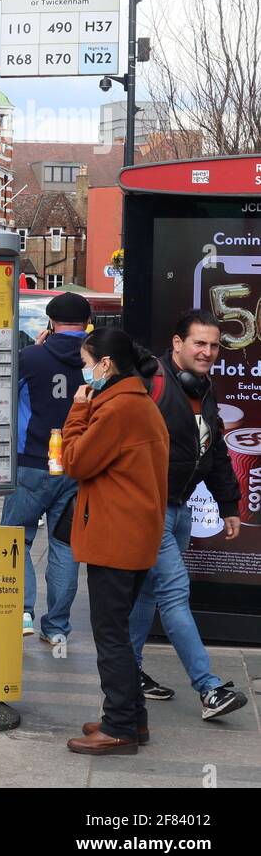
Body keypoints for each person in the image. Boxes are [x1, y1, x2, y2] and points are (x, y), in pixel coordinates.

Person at [131, 309, 248, 720]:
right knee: (175, 593)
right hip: (151, 508)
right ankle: (209, 688)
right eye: (200, 343)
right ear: (178, 343)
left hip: (179, 507)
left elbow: (214, 450)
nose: (208, 352)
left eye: (214, 345)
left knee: (149, 591)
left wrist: (228, 504)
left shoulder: (204, 387)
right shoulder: (152, 384)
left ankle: (128, 672)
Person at [61, 328, 168, 755]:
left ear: (105, 364)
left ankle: (120, 725)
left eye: (87, 363)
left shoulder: (117, 408)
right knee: (117, 630)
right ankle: (131, 718)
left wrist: (77, 411)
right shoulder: (136, 402)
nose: (84, 371)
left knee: (109, 634)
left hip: (117, 537)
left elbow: (74, 461)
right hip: (132, 534)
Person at [0, 291, 88, 643]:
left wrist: (34, 351)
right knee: (66, 548)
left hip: (32, 466)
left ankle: (22, 612)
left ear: (51, 323)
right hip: (77, 467)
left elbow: (4, 395)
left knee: (16, 539)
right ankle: (56, 628)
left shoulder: (32, 356)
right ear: (87, 323)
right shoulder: (98, 360)